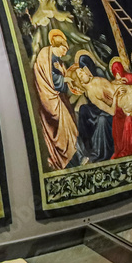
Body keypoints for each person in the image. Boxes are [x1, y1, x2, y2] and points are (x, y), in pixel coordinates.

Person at [33, 30, 83, 169]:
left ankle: (76, 156)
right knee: (68, 127)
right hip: (49, 97)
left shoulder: (55, 59)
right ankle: (72, 157)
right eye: (64, 49)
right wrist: (65, 79)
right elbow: (51, 80)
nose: (64, 53)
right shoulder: (46, 55)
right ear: (58, 45)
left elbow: (59, 77)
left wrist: (66, 78)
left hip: (56, 97)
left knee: (71, 126)